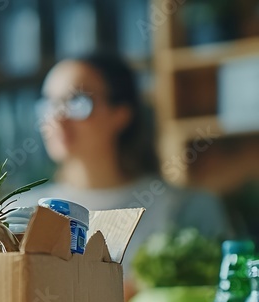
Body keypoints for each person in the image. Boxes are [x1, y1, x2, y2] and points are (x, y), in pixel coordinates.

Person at [16, 52, 231, 282]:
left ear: (121, 113)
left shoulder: (186, 210)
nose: (57, 119)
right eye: (50, 103)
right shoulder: (21, 215)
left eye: (77, 102)